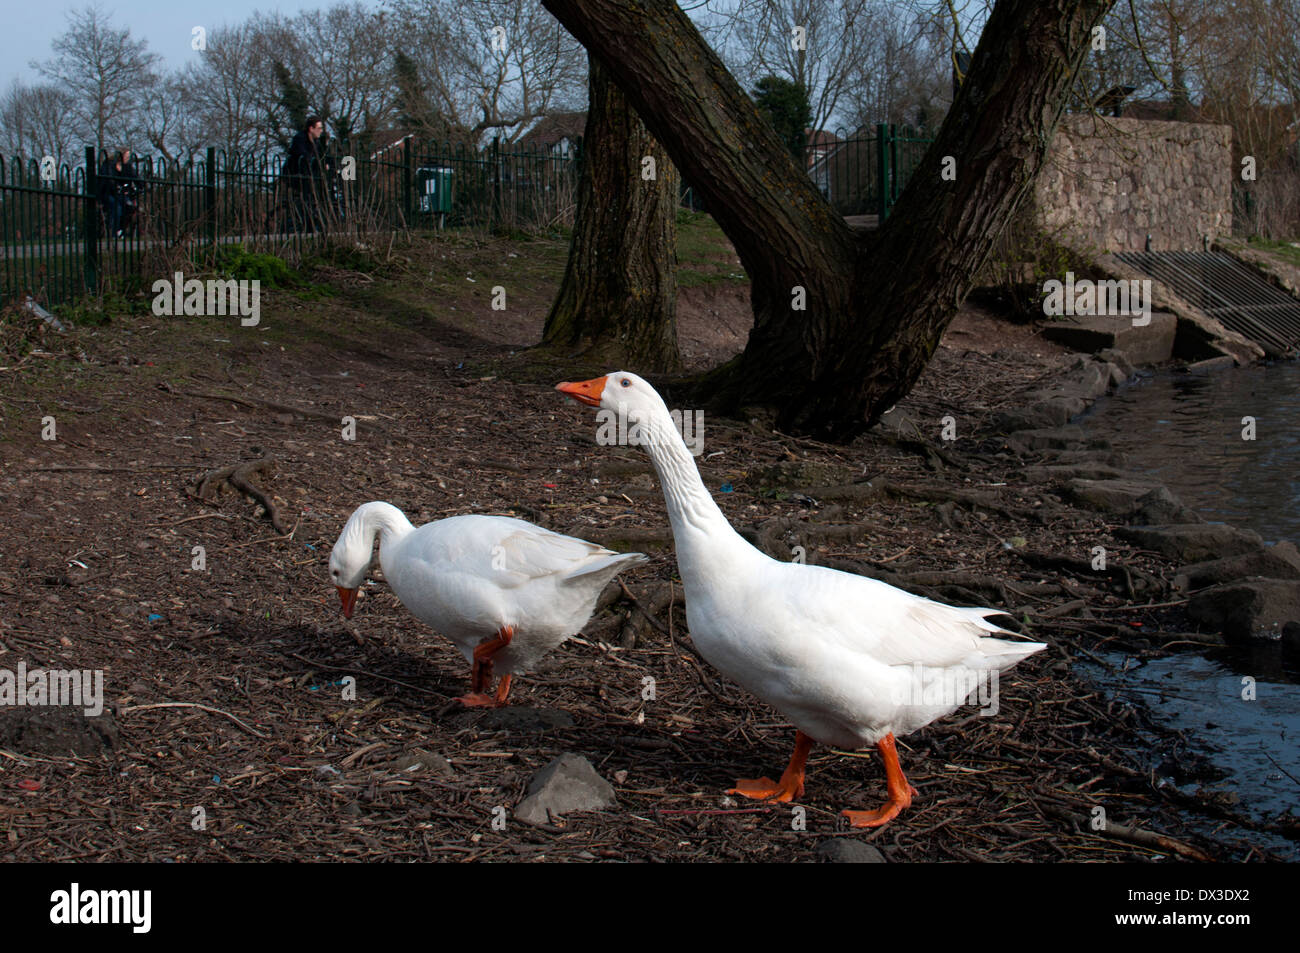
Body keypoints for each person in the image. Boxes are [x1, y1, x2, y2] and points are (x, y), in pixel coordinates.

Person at [285, 116, 326, 232]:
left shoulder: (316, 141)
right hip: (295, 174)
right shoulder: (300, 138)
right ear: (311, 128)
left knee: (314, 195)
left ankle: (311, 221)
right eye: (319, 128)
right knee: (307, 197)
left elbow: (320, 156)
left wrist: (325, 163)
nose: (321, 130)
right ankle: (305, 223)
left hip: (308, 174)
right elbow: (303, 156)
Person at [96, 148, 140, 237]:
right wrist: (116, 187)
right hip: (108, 193)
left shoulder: (127, 167)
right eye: (126, 156)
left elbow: (136, 178)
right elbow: (106, 180)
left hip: (121, 194)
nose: (128, 158)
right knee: (117, 208)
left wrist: (139, 187)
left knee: (130, 207)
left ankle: (121, 229)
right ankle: (114, 232)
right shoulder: (109, 165)